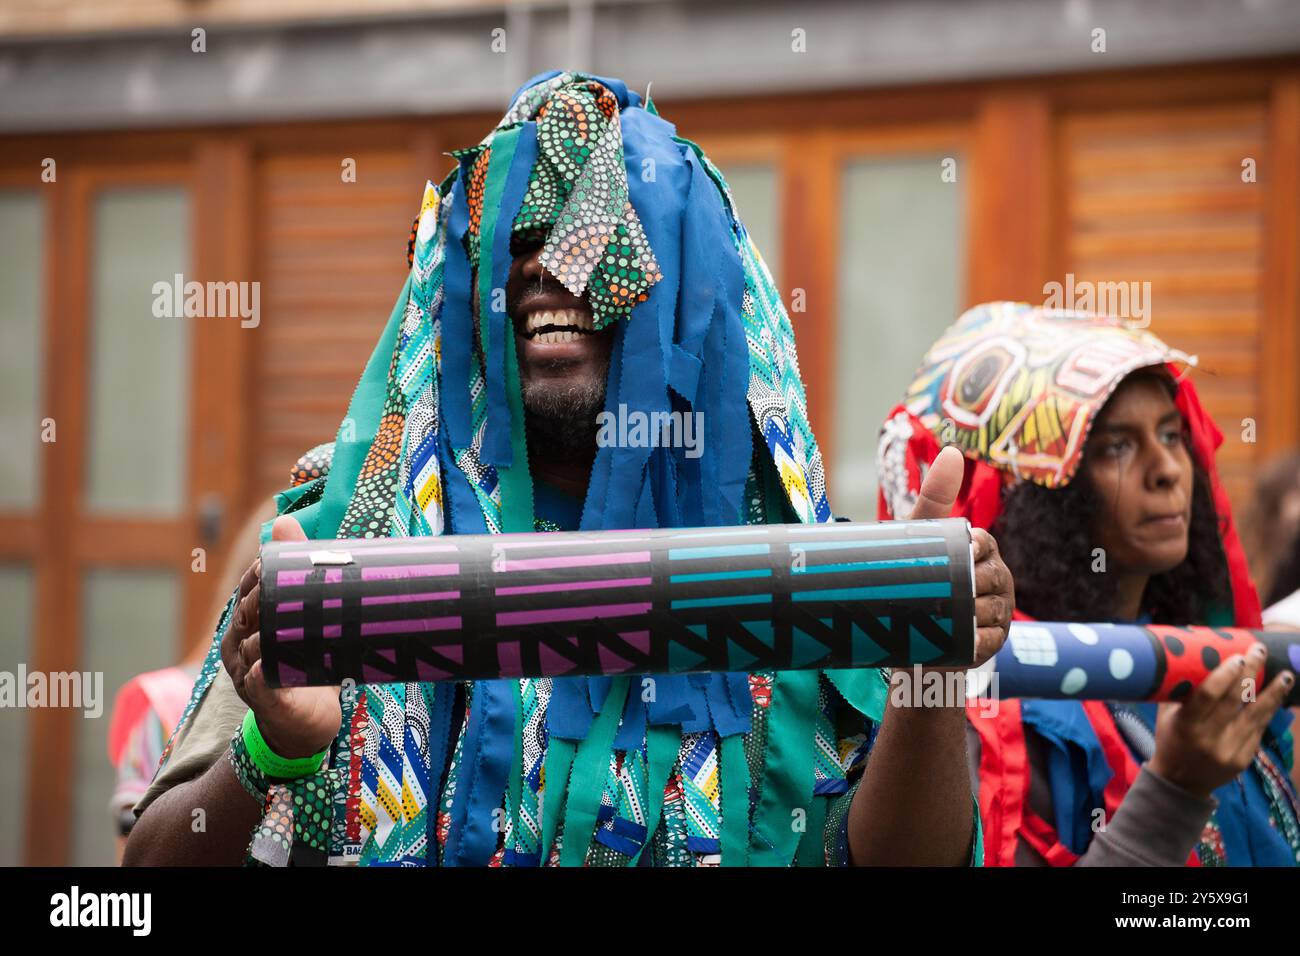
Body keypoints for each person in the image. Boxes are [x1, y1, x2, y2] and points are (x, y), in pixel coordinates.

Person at [124, 71, 1014, 868]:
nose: (549, 271)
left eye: (599, 245)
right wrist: (274, 751)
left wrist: (927, 674)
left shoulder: (806, 580)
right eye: (519, 242)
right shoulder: (343, 551)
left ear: (689, 296)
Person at [878, 302, 1300, 866]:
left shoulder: (1216, 658)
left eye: (1172, 435)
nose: (1167, 469)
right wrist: (1174, 788)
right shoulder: (990, 713)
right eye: (1117, 447)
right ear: (1034, 496)